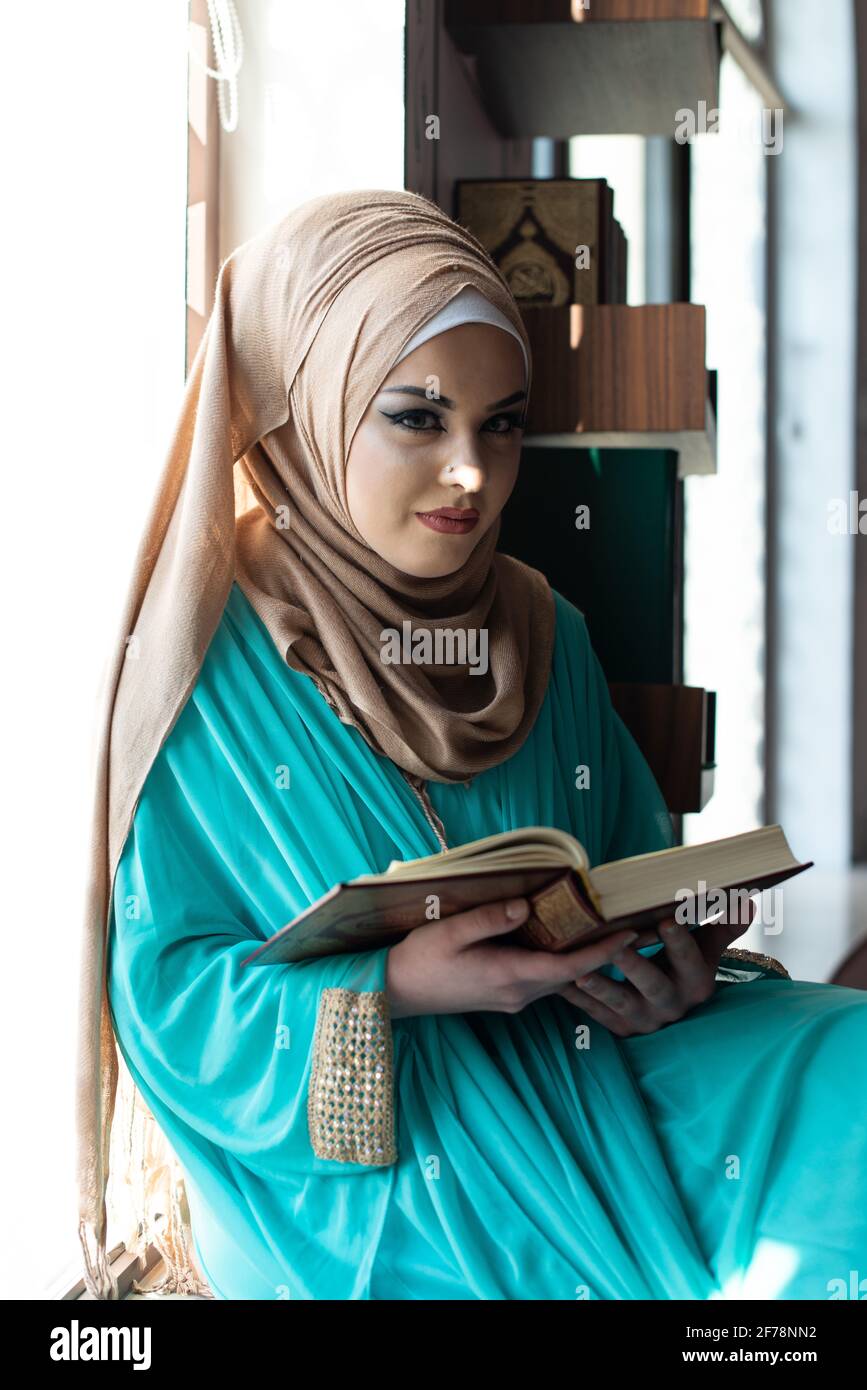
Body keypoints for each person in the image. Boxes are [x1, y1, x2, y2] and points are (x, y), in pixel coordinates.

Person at [77, 189, 867, 1302]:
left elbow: (618, 876)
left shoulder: (540, 625)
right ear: (310, 404)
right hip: (368, 1140)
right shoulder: (203, 666)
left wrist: (664, 969)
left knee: (853, 1076)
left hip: (590, 1062)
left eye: (501, 423)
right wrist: (393, 987)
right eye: (417, 417)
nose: (472, 473)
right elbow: (167, 1006)